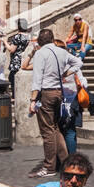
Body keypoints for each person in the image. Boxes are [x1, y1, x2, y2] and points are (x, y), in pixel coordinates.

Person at [26, 28, 82, 178]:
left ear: (39, 41)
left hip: (46, 93)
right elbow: (78, 62)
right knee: (55, 128)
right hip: (59, 93)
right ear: (52, 39)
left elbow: (37, 79)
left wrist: (32, 100)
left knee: (47, 132)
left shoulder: (40, 54)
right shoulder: (61, 51)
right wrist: (66, 74)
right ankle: (65, 163)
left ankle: (49, 167)